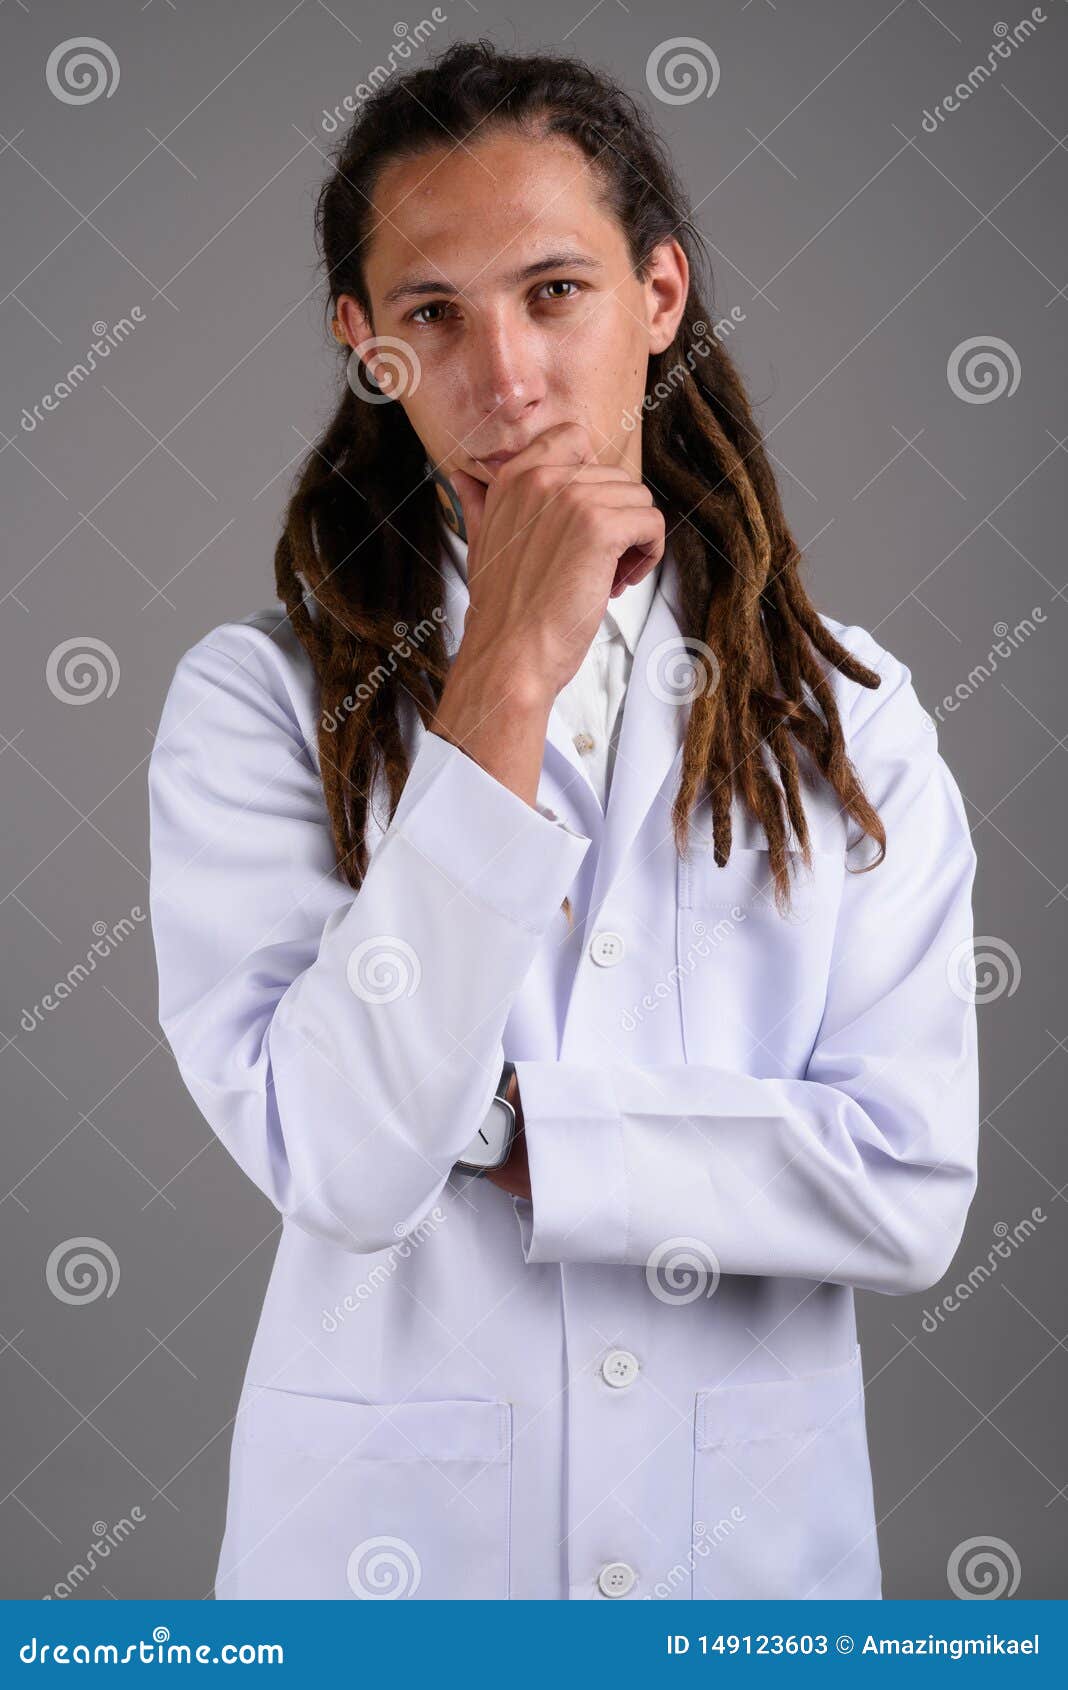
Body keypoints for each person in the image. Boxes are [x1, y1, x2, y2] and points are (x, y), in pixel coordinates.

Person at [147, 40, 979, 1601]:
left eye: (555, 293)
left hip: (745, 1576)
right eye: (431, 316)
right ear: (366, 349)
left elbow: (910, 1185)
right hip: (387, 1575)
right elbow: (344, 1158)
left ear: (658, 298)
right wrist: (506, 672)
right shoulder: (254, 701)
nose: (505, 378)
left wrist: (522, 1132)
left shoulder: (849, 714)